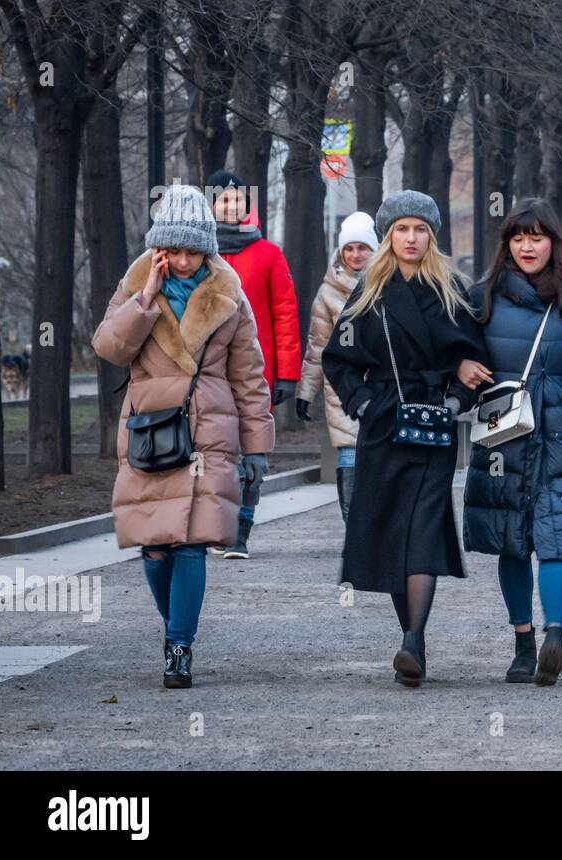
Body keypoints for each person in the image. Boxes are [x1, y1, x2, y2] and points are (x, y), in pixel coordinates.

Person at [91, 185, 274, 688]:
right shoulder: (135, 286)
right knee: (154, 548)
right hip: (150, 430)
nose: (186, 259)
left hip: (207, 432)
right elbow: (107, 346)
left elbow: (249, 378)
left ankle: (179, 646)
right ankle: (174, 628)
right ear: (159, 250)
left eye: (195, 249)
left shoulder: (229, 295)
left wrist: (256, 448)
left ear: (207, 248)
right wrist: (145, 300)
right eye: (175, 250)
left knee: (192, 543)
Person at [322, 191, 491, 687]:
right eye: (401, 230)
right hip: (384, 428)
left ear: (431, 236)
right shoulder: (368, 291)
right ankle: (409, 638)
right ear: (388, 235)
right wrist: (366, 405)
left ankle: (413, 641)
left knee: (422, 527)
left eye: (419, 230)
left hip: (434, 427)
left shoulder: (451, 290)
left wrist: (456, 401)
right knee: (395, 530)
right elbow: (338, 360)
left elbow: (475, 361)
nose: (410, 238)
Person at [462, 198, 562, 686]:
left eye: (537, 237)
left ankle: (554, 634)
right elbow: (456, 355)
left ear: (554, 242)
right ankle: (522, 643)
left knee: (554, 540)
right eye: (518, 237)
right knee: (512, 542)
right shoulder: (480, 297)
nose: (528, 246)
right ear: (507, 243)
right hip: (503, 435)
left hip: (558, 437)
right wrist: (460, 370)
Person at [207, 169, 302, 559]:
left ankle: (240, 532)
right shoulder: (197, 255)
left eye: (237, 200)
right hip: (208, 374)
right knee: (213, 450)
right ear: (211, 205)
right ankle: (216, 526)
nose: (231, 206)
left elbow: (285, 314)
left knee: (252, 451)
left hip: (255, 373)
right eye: (223, 200)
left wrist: (288, 374)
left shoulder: (268, 254)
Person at [296, 211, 380, 521]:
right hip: (342, 389)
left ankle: (374, 526)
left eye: (363, 248)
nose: (356, 255)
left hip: (384, 383)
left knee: (377, 456)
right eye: (349, 248)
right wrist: (306, 392)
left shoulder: (389, 284)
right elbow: (317, 348)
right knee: (348, 452)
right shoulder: (328, 293)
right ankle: (353, 525)